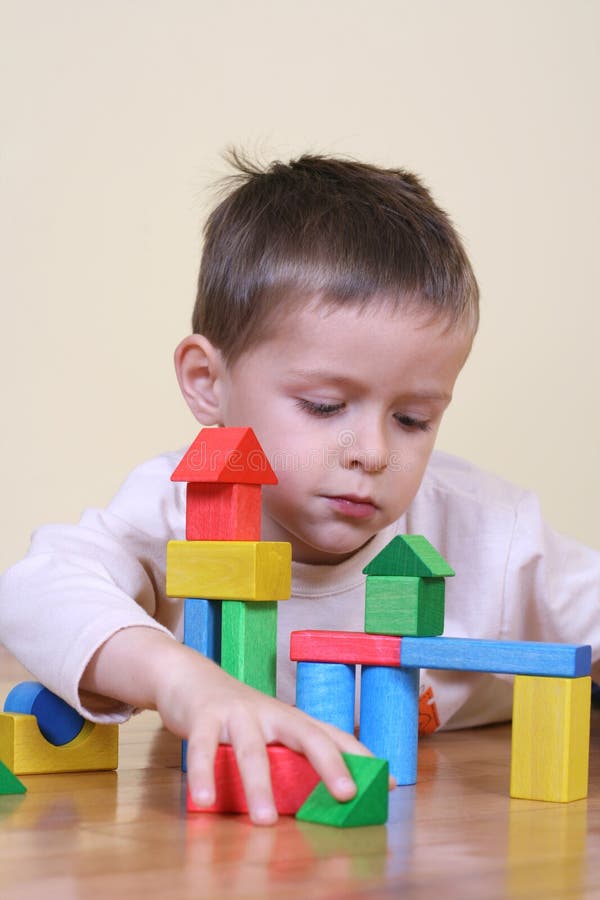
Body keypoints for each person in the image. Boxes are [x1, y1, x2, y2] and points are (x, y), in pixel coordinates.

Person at [1, 152, 599, 825]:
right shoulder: (177, 505)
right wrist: (181, 681)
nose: (373, 452)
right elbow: (35, 588)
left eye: (413, 419)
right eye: (323, 406)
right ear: (208, 382)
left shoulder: (489, 530)